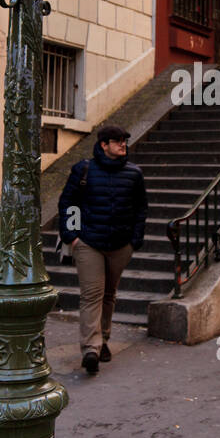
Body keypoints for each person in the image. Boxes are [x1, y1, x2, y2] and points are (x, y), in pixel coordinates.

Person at [58, 125, 147, 375]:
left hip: (120, 245)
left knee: (109, 294)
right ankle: (91, 349)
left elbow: (141, 208)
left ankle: (103, 339)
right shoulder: (83, 170)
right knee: (91, 294)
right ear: (103, 145)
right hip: (88, 243)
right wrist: (72, 236)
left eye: (124, 141)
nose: (123, 144)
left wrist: (134, 241)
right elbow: (68, 203)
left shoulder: (134, 174)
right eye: (117, 141)